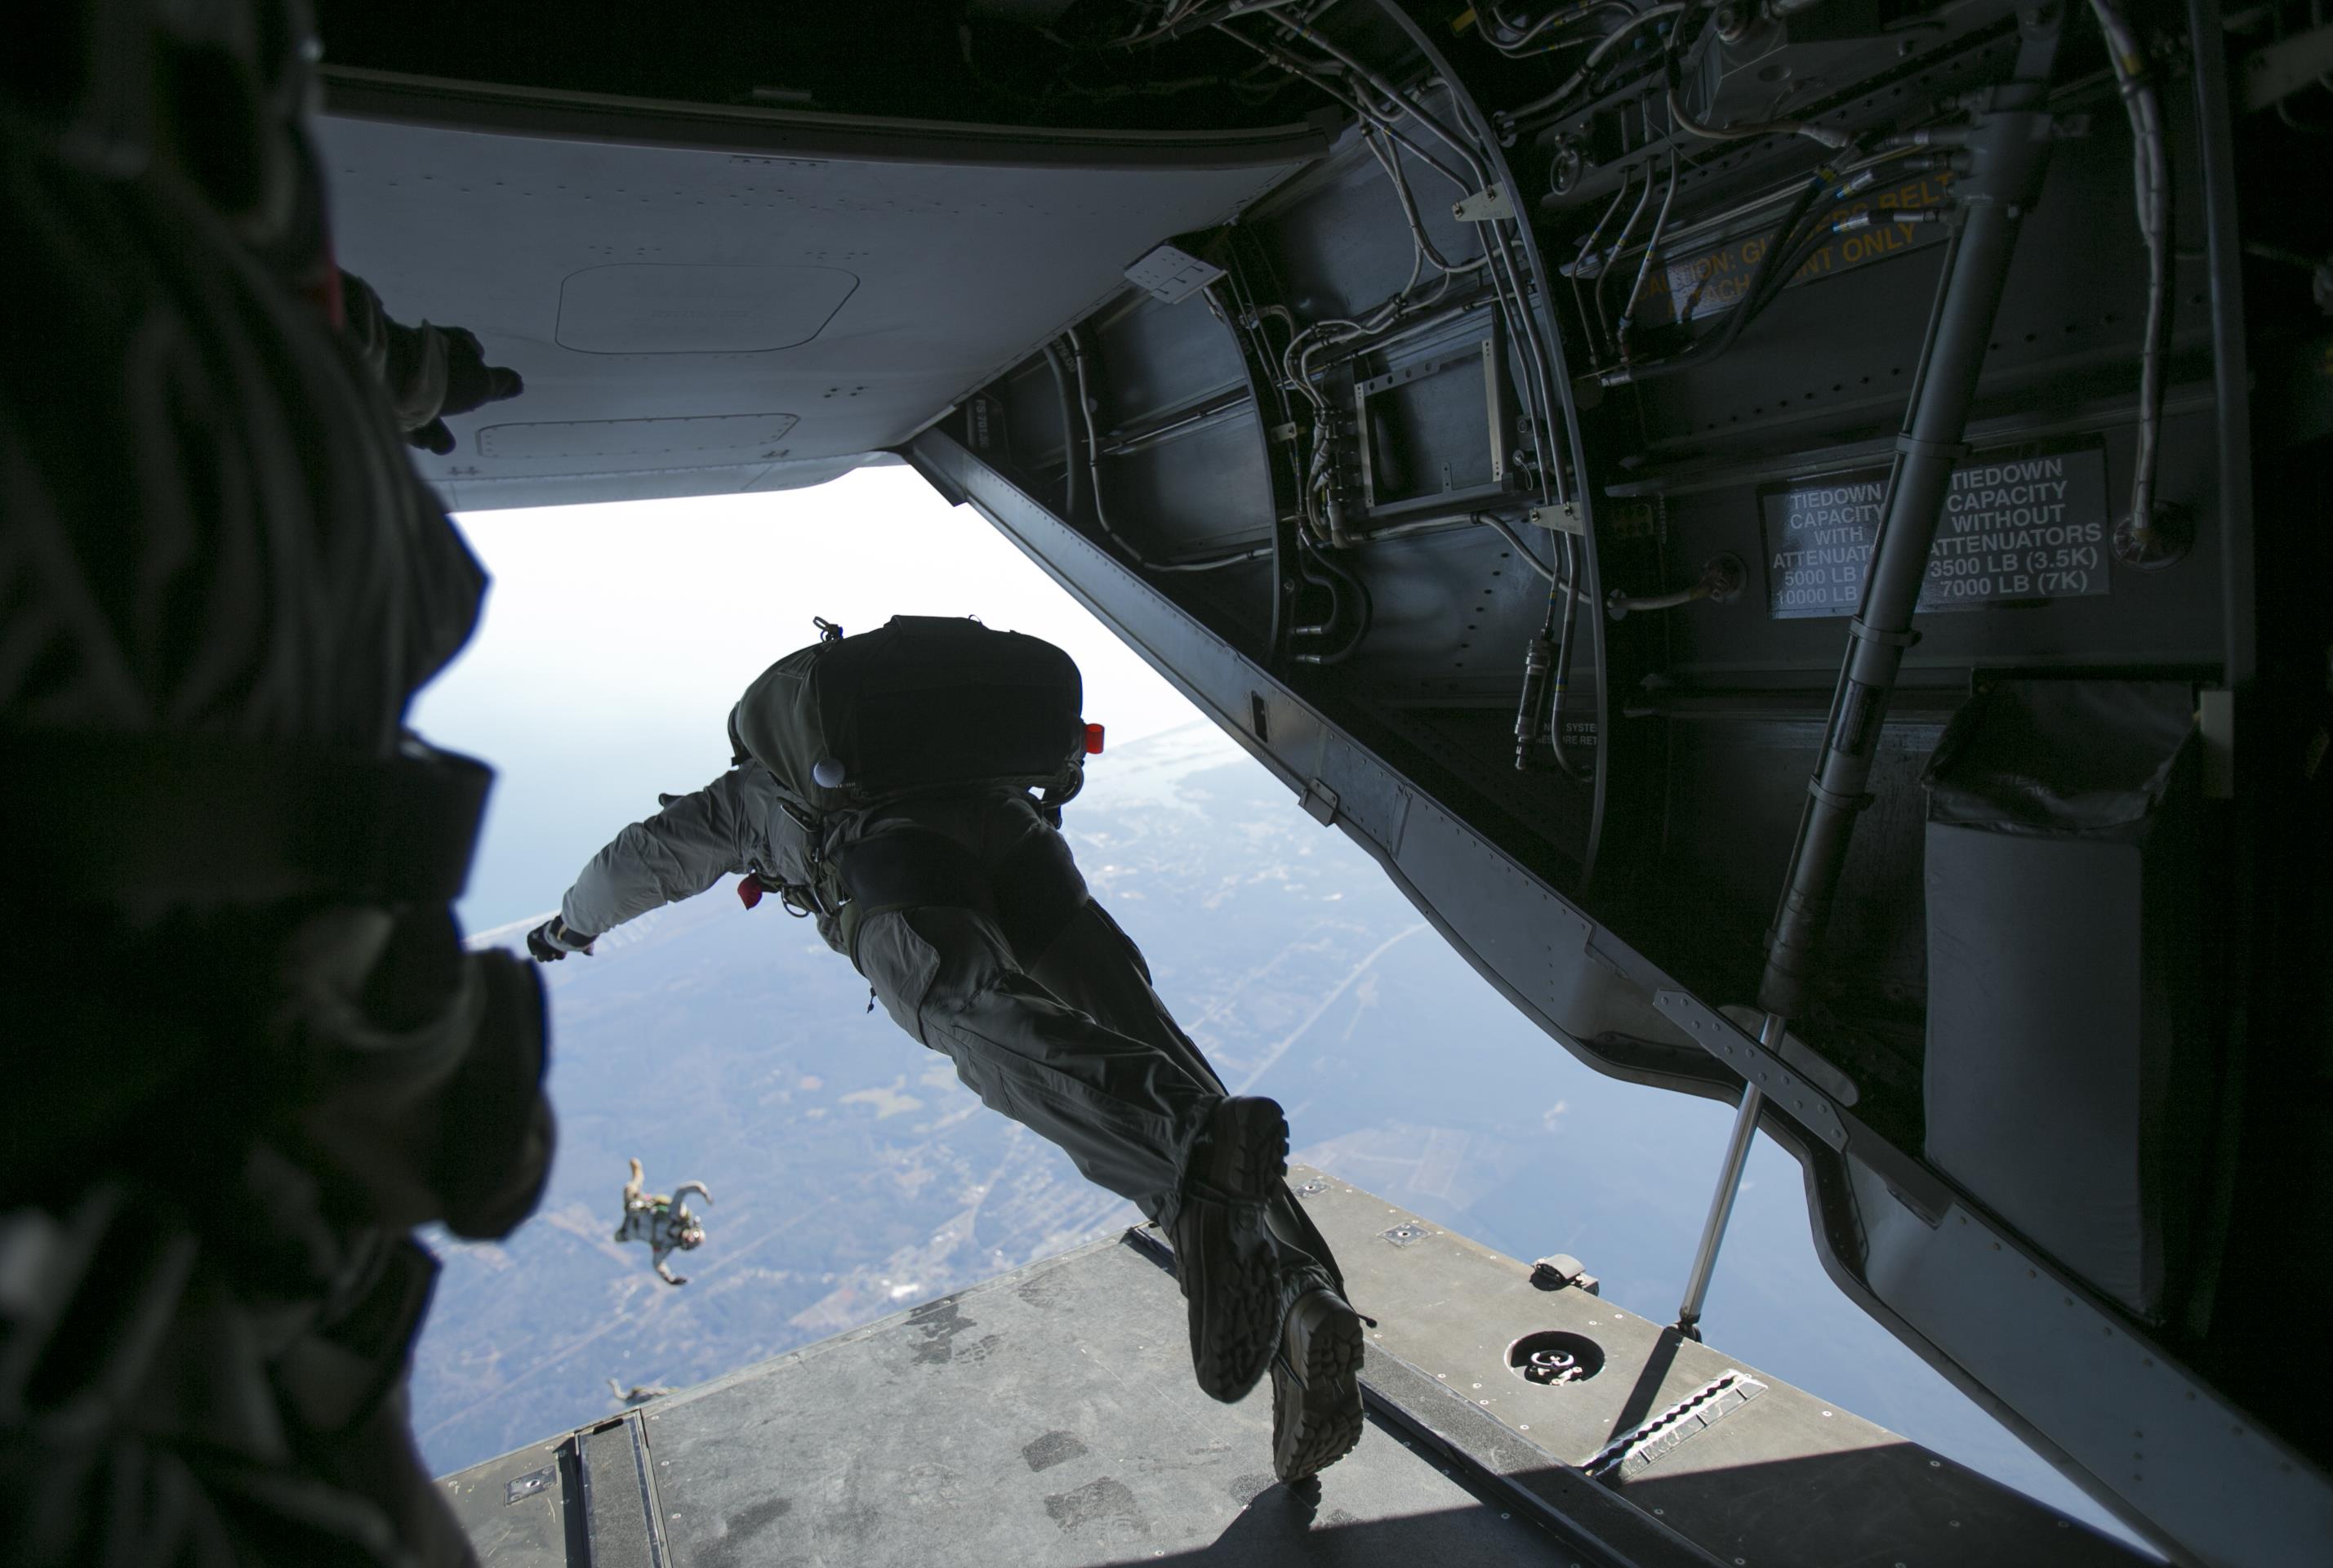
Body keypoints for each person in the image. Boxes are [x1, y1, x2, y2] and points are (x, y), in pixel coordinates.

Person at [2, 5, 544, 1564]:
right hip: (252, 675)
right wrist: (430, 376)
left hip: (185, 730)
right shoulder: (171, 97)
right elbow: (297, 290)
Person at [531, 617, 1368, 1481]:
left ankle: (1188, 1154)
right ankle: (1304, 1306)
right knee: (1139, 1038)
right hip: (1024, 850)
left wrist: (566, 928)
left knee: (968, 1011)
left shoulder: (749, 797)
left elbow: (636, 865)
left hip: (898, 863)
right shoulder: (938, 743)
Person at [614, 1158, 712, 1285]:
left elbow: (658, 1264)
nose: (691, 1238)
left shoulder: (666, 1246)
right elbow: (681, 1192)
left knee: (617, 1238)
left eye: (692, 1241)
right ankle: (638, 1176)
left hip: (628, 1229)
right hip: (637, 1209)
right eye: (695, 1236)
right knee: (629, 1190)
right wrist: (702, 1191)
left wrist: (669, 1279)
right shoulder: (677, 1216)